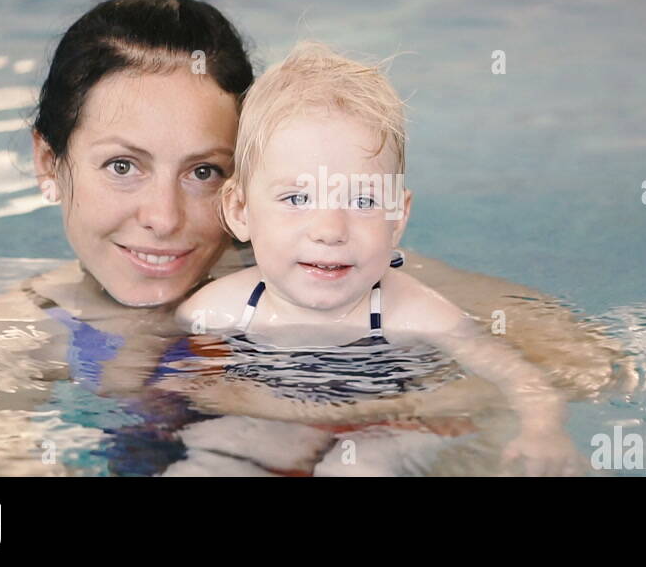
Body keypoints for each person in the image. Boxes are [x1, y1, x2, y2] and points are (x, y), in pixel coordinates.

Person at [0, 0, 633, 476]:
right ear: (49, 164)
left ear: (246, 192)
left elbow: (591, 364)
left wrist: (392, 415)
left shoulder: (341, 272)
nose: (165, 217)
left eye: (204, 170)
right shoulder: (15, 339)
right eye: (122, 166)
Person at [174, 41, 581, 475]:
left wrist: (543, 431)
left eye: (364, 201)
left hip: (393, 425)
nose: (330, 231)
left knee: (363, 466)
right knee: (214, 447)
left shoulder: (414, 313)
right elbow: (183, 382)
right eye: (296, 197)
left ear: (397, 219)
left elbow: (518, 377)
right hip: (283, 421)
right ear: (240, 211)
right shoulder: (215, 310)